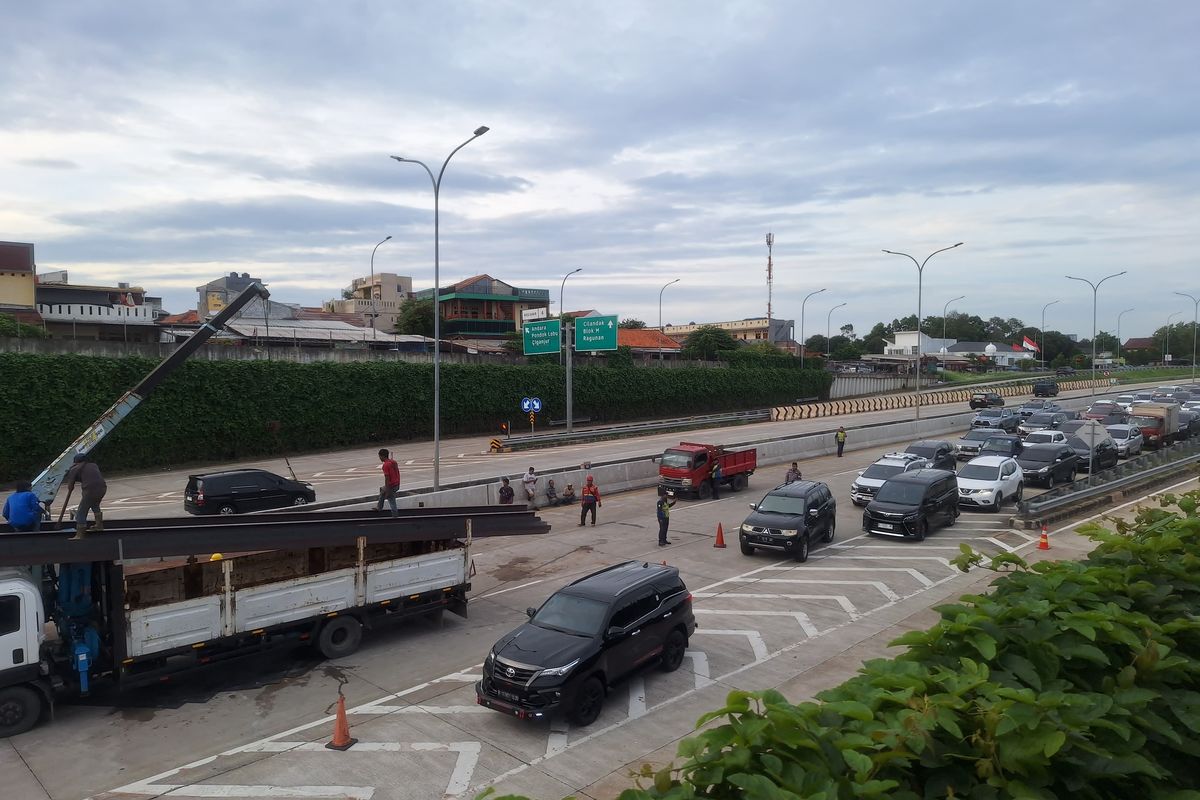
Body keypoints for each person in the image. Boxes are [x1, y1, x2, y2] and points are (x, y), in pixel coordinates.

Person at [64, 453, 107, 538]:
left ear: (75, 462)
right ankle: (99, 525)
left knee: (81, 512)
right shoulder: (94, 465)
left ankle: (80, 535)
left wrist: (71, 476)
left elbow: (70, 486)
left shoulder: (74, 469)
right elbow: (90, 476)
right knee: (95, 505)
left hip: (90, 491)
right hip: (103, 488)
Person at [375, 448, 400, 517]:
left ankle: (395, 516)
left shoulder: (385, 465)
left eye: (379, 456)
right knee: (382, 490)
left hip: (391, 486)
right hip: (396, 484)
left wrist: (388, 490)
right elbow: (397, 473)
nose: (379, 458)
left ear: (382, 456)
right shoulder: (393, 462)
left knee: (391, 500)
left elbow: (387, 479)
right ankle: (379, 507)